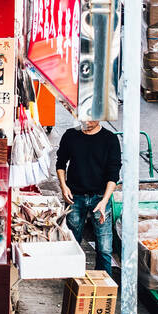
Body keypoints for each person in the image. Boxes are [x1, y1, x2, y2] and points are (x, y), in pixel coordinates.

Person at [56, 119, 121, 279]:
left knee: (105, 247)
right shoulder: (71, 135)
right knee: (72, 241)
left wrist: (105, 201)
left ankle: (104, 283)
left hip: (100, 198)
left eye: (91, 118)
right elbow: (60, 164)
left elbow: (114, 174)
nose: (87, 121)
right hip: (74, 197)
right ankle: (72, 280)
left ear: (100, 117)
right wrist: (64, 187)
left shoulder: (110, 139)